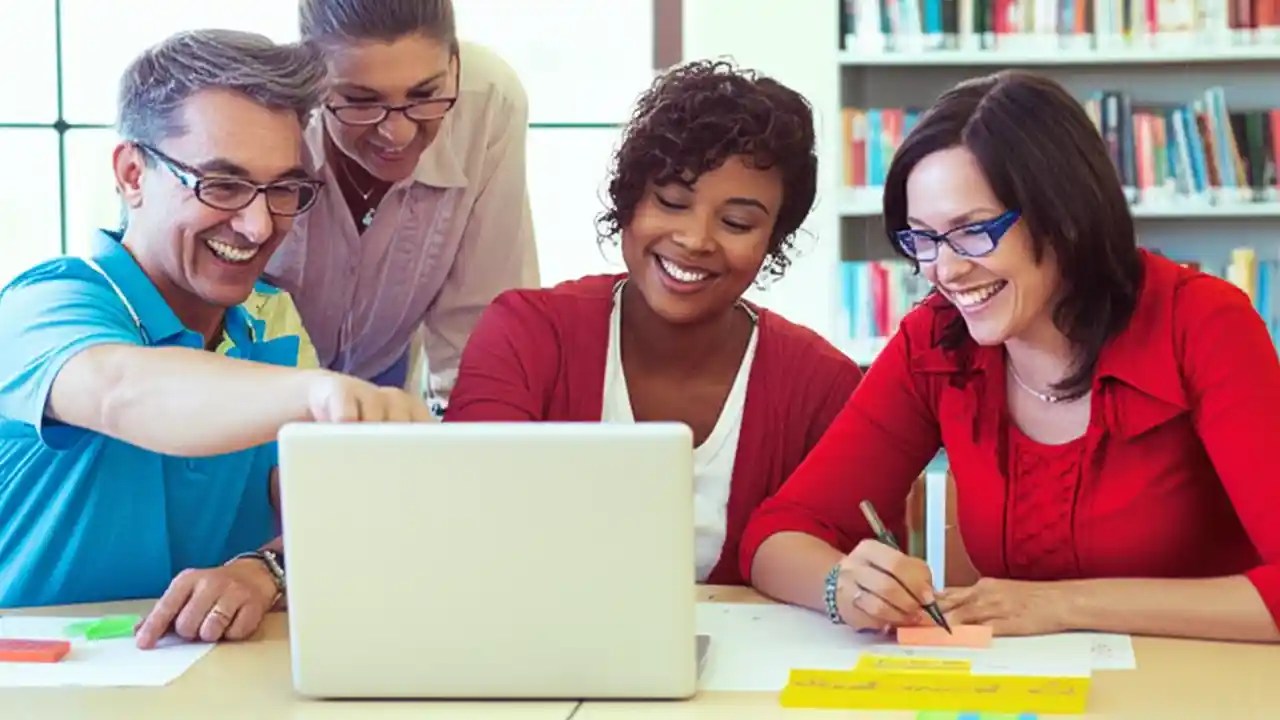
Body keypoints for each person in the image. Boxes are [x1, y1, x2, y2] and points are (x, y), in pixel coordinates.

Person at [739, 70, 1280, 643]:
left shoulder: (1200, 323)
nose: (943, 270)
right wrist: (840, 584)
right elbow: (776, 534)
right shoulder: (936, 342)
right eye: (921, 238)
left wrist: (1064, 606)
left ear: (1064, 216)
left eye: (973, 232)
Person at [0, 30, 432, 646]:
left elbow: (338, 513)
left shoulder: (271, 321)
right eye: (221, 185)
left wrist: (266, 570)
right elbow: (123, 390)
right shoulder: (44, 302)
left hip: (202, 687)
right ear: (131, 174)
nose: (259, 226)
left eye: (283, 190)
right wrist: (319, 393)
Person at [445, 59, 863, 585]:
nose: (695, 239)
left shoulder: (824, 386)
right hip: (537, 656)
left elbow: (857, 578)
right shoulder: (525, 335)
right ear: (628, 201)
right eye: (671, 202)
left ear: (773, 239)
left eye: (736, 222)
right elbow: (467, 525)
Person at [265, 0, 539, 412]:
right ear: (310, 78)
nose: (397, 133)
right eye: (360, 100)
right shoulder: (264, 113)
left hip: (386, 387)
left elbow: (480, 331)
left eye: (425, 94)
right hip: (256, 393)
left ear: (455, 62)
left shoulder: (486, 103)